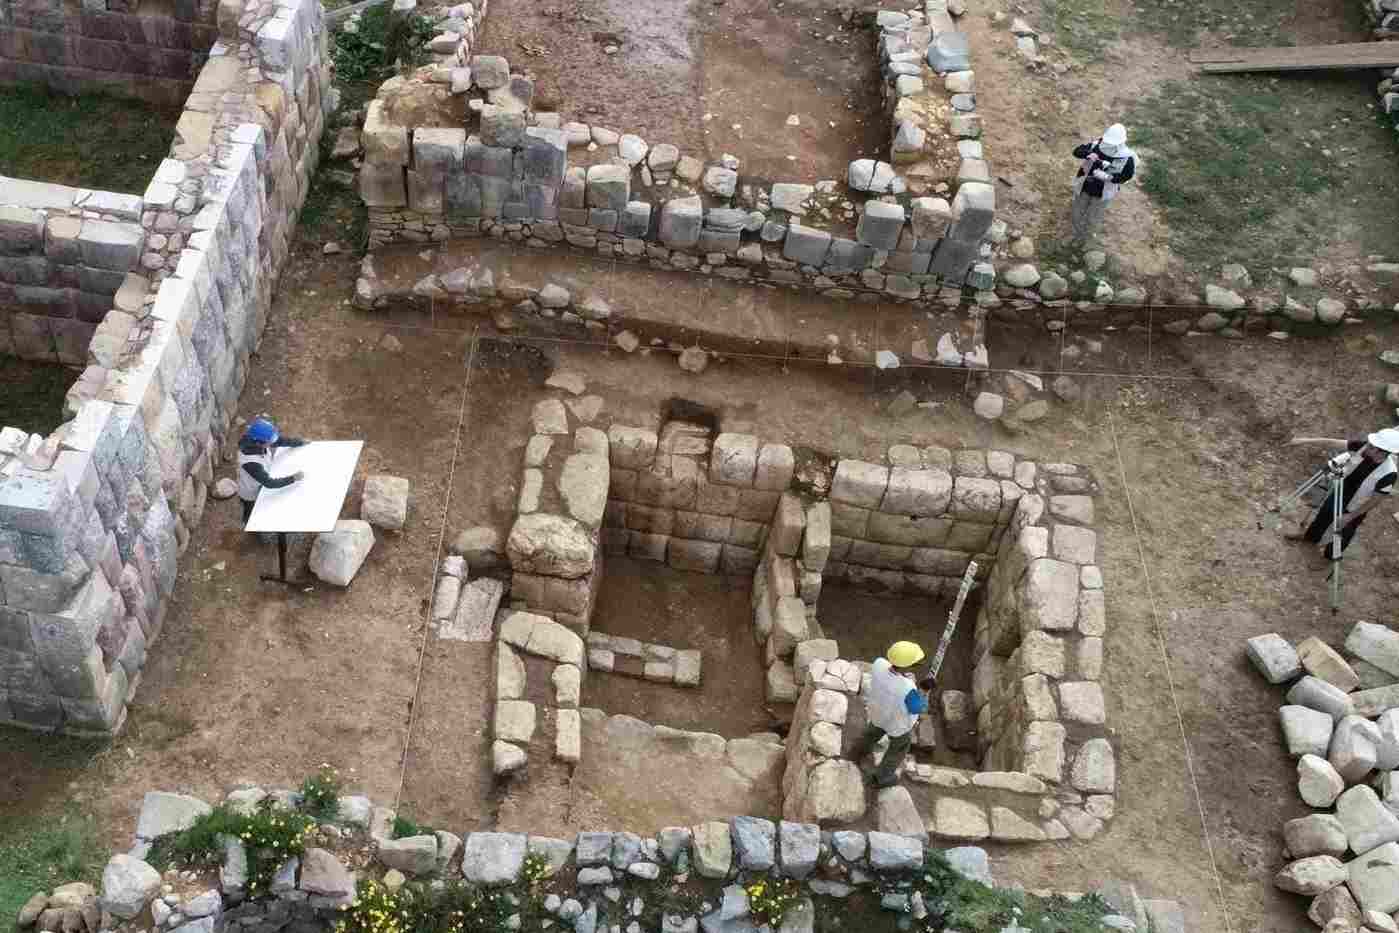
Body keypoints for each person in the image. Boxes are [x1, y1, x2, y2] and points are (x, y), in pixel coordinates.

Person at [1284, 429, 1399, 557]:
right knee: (1324, 515)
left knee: (1343, 533)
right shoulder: (1363, 447)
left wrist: (1350, 516)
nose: (1367, 446)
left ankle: (1330, 556)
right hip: (1340, 491)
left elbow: (1376, 500)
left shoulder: (1389, 474)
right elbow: (1332, 442)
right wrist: (1304, 440)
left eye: (1372, 446)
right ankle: (1311, 537)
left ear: (1381, 452)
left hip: (1357, 505)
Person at [850, 641, 934, 788]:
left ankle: (856, 753)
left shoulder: (879, 664)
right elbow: (919, 708)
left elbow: (892, 679)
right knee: (897, 750)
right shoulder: (908, 688)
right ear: (907, 666)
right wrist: (924, 691)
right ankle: (881, 778)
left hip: (878, 714)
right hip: (897, 726)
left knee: (870, 735)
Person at [1070, 123, 1136, 245]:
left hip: (1102, 194)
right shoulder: (1096, 145)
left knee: (1093, 217)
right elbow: (1077, 151)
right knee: (1077, 211)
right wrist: (1087, 154)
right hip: (1084, 187)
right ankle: (1075, 234)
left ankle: (1086, 238)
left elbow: (1127, 176)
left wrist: (1109, 177)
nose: (1109, 145)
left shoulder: (1127, 158)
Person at [238, 417, 308, 525]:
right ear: (259, 443)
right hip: (251, 492)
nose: (272, 442)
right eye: (269, 441)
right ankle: (248, 523)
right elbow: (269, 483)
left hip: (261, 481)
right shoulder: (251, 462)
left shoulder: (256, 441)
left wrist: (298, 442)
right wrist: (293, 478)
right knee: (251, 511)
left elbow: (279, 441)